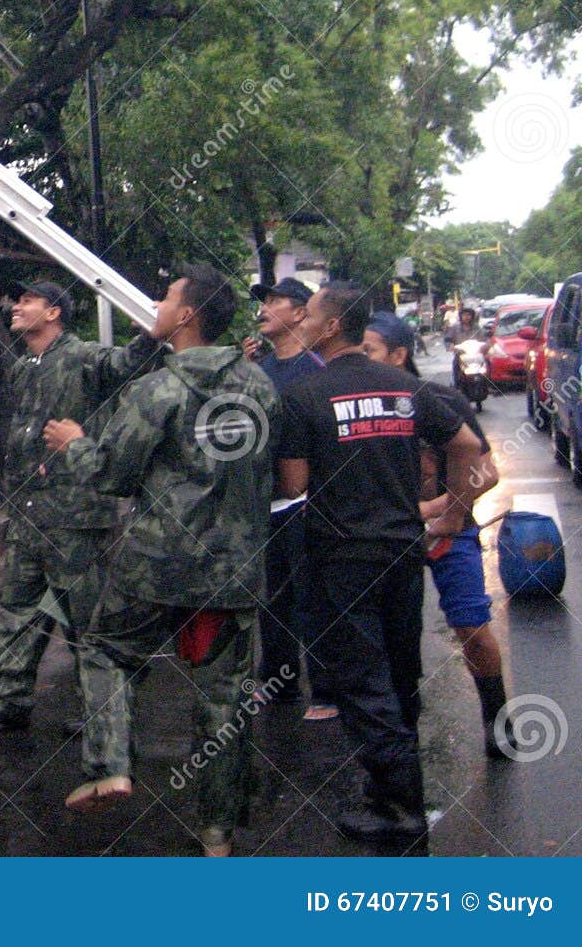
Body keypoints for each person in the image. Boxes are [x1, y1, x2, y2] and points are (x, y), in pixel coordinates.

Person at [42, 264, 279, 857]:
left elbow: (113, 476)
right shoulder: (259, 387)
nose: (158, 304)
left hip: (157, 566)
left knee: (104, 647)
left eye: (168, 297)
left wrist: (72, 444)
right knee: (223, 700)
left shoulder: (156, 390)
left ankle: (110, 765)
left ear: (188, 316)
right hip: (232, 571)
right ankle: (218, 836)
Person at [277, 282, 483, 844]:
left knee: (362, 682)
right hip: (400, 552)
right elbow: (467, 444)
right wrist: (455, 514)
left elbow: (294, 485)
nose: (301, 323)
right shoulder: (406, 387)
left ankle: (401, 808)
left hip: (340, 557)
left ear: (329, 327)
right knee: (398, 674)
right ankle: (389, 790)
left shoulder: (303, 396)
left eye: (310, 315)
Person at [0, 280, 161, 734]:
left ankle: (106, 710)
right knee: (20, 608)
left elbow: (129, 363)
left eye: (27, 300)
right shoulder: (23, 368)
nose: (16, 306)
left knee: (84, 617)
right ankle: (8, 699)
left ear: (53, 312)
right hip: (29, 514)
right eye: (19, 299)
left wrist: (151, 330)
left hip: (75, 516)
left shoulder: (82, 356)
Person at [361, 311, 513, 758]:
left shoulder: (441, 402)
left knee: (472, 627)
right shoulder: (359, 406)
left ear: (398, 354)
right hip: (389, 538)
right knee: (387, 637)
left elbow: (485, 473)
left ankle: (497, 718)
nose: (361, 360)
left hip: (452, 534)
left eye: (369, 351)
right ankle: (396, 737)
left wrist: (436, 510)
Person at [244, 278, 334, 719]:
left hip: (310, 500)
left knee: (312, 594)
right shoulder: (258, 369)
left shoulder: (317, 369)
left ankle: (326, 689)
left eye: (276, 301)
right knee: (272, 596)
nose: (265, 309)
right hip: (266, 501)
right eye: (264, 301)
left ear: (300, 313)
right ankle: (278, 682)